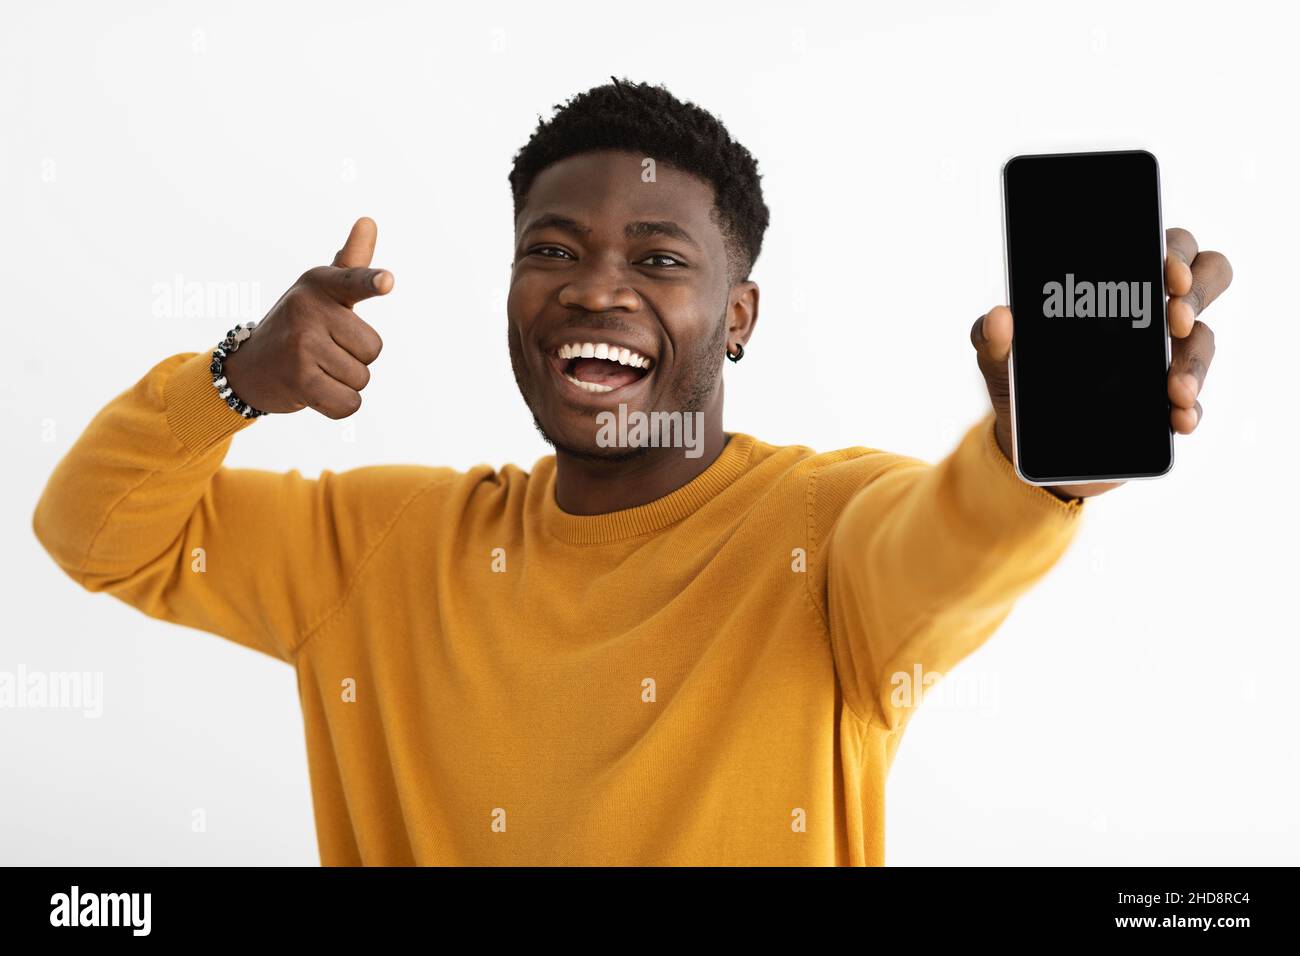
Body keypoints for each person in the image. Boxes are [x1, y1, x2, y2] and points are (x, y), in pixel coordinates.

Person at [31, 78, 1230, 865]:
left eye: (658, 258)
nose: (594, 287)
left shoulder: (827, 527)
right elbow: (93, 529)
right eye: (551, 249)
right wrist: (234, 376)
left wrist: (1034, 461)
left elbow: (949, 541)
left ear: (739, 314)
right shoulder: (382, 540)